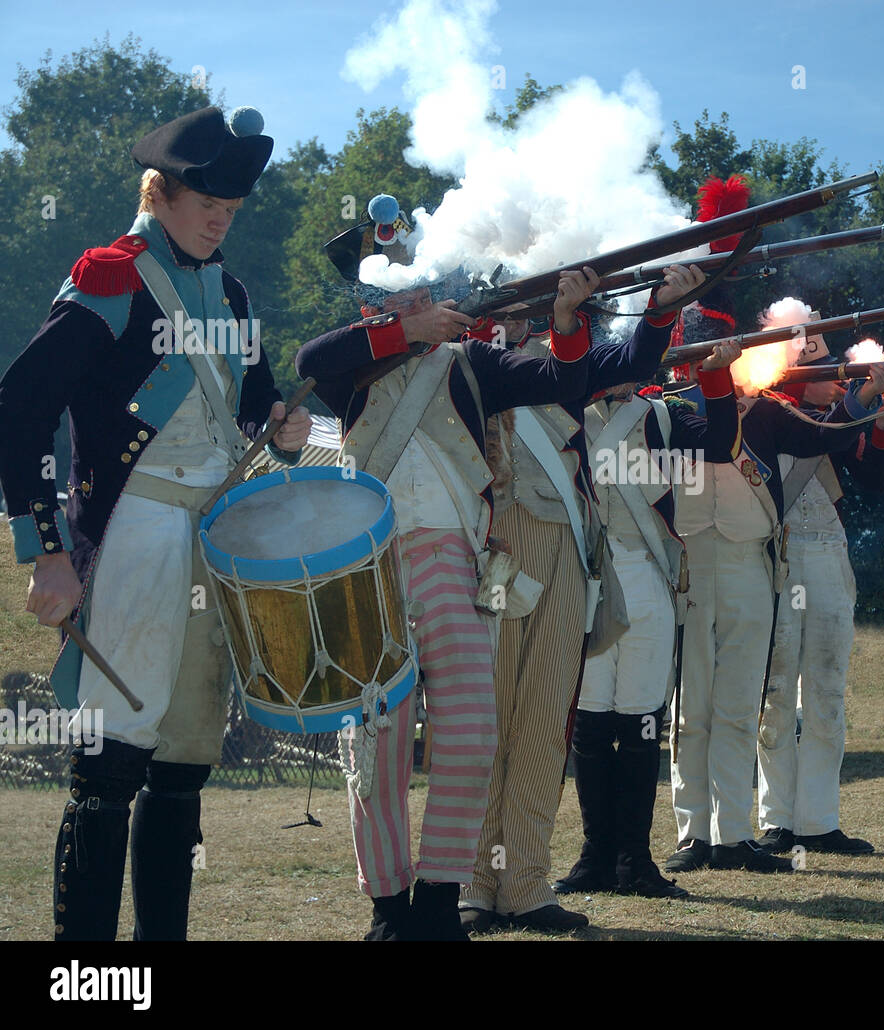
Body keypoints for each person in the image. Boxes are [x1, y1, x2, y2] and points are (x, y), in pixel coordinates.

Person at [0, 105, 310, 940]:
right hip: (135, 530)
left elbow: (254, 406)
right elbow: (21, 411)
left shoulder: (235, 293)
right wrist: (48, 554)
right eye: (207, 204)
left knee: (182, 765)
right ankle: (89, 971)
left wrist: (281, 429)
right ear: (161, 192)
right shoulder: (111, 275)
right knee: (110, 766)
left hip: (212, 541)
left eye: (232, 210)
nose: (221, 221)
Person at [297, 218, 600, 940]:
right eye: (402, 290)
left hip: (450, 559)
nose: (419, 297)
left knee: (470, 733)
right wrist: (406, 332)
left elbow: (567, 378)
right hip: (365, 566)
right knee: (376, 745)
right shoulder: (354, 361)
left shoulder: (470, 364)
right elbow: (310, 357)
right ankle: (387, 906)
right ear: (377, 302)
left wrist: (564, 318)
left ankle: (438, 899)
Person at [462, 265, 706, 933]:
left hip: (570, 552)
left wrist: (660, 308)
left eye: (524, 311)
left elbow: (633, 358)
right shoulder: (467, 364)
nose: (516, 322)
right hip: (497, 552)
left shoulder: (566, 359)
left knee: (546, 723)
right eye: (506, 310)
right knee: (490, 725)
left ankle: (527, 885)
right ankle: (475, 886)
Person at [663, 291, 884, 877]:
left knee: (784, 694)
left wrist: (870, 403)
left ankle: (784, 824)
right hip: (708, 565)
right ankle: (718, 828)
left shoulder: (772, 413)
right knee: (713, 703)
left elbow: (840, 448)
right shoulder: (676, 409)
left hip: (765, 562)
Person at [553, 339, 742, 900]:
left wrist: (715, 376)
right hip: (586, 578)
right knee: (591, 723)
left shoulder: (660, 413)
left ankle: (635, 858)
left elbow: (722, 445)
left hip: (646, 573)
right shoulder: (561, 412)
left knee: (639, 721)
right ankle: (596, 855)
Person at [756, 348, 884, 857]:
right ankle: (777, 819)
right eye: (827, 374)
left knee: (826, 689)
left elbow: (877, 481)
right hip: (776, 555)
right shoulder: (765, 411)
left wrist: (882, 421)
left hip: (827, 554)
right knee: (775, 689)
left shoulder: (843, 420)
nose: (840, 383)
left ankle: (818, 820)